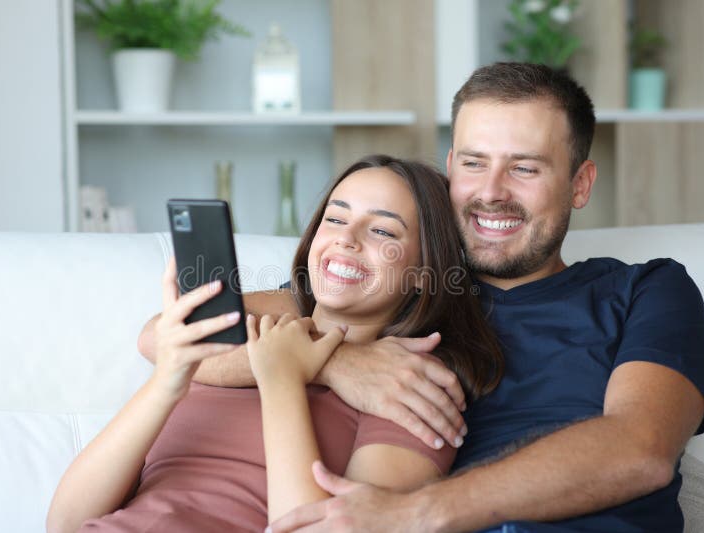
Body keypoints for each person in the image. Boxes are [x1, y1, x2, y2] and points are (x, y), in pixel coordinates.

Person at [139, 62, 704, 532]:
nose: (491, 193)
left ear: (580, 183)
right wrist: (340, 360)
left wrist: (420, 513)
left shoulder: (645, 289)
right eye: (473, 163)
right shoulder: (392, 284)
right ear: (450, 171)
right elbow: (170, 338)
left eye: (524, 168)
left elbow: (641, 448)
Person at [46, 155, 505, 533]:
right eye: (336, 218)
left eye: (382, 231)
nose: (346, 240)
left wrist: (284, 378)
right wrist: (171, 378)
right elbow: (65, 522)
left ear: (426, 271)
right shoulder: (246, 336)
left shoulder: (412, 387)